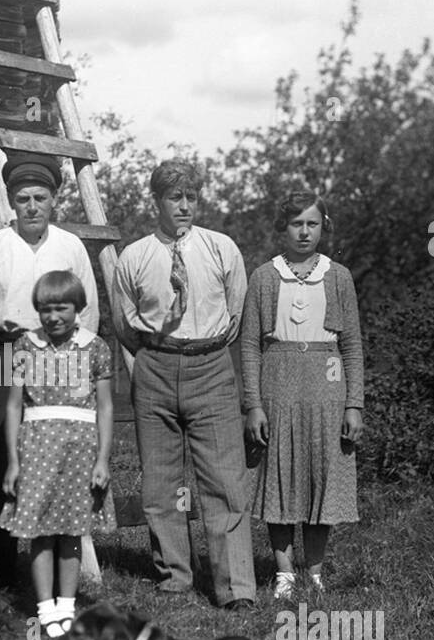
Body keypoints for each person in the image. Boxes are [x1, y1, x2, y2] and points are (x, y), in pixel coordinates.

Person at [112, 159, 256, 610]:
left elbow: (236, 313)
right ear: (156, 200)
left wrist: (205, 347)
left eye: (192, 197)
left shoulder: (221, 248)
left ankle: (234, 587)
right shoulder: (134, 257)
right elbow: (122, 323)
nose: (184, 206)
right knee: (161, 482)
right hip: (155, 366)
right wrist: (156, 352)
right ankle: (174, 576)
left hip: (211, 365)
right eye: (175, 197)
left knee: (224, 479)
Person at [0, 153, 99, 587]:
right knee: (2, 453)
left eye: (41, 197)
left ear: (55, 200)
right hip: (1, 352)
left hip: (58, 354)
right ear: (10, 201)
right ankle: (1, 563)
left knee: (59, 448)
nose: (32, 206)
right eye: (23, 198)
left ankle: (63, 556)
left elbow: (89, 308)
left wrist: (74, 361)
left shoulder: (70, 246)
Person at [241, 191, 364, 599]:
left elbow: (351, 346)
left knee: (319, 476)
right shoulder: (263, 276)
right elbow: (249, 347)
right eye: (297, 224)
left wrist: (354, 404)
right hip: (278, 384)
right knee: (279, 475)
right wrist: (253, 405)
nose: (304, 231)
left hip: (327, 387)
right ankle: (284, 574)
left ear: (323, 227)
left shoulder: (337, 275)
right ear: (284, 227)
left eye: (312, 223)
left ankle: (313, 573)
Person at [0, 270, 115, 638]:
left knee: (72, 530)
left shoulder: (95, 346)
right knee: (41, 533)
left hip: (81, 449)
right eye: (46, 310)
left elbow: (106, 407)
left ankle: (68, 605)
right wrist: (14, 461)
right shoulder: (24, 346)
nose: (54, 317)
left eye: (62, 308)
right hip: (37, 448)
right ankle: (45, 607)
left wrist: (102, 459)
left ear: (78, 308)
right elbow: (13, 405)